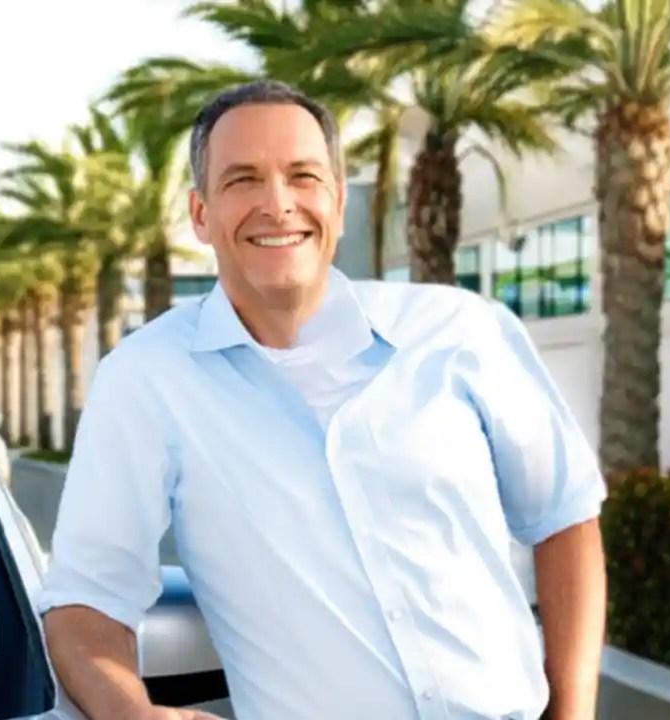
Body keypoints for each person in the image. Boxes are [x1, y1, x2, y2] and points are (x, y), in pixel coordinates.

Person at [37, 80, 607, 720]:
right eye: (242, 180)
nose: (277, 205)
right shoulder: (144, 381)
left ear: (337, 201)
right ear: (201, 214)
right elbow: (85, 602)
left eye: (302, 176)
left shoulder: (462, 331)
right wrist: (131, 714)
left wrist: (574, 713)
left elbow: (565, 517)